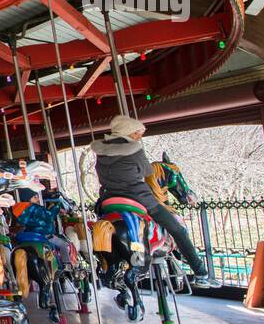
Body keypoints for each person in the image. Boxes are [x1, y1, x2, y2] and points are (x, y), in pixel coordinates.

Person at [91, 115, 219, 288]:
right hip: (138, 197)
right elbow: (147, 171)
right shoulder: (133, 149)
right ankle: (201, 272)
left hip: (109, 199)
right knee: (178, 229)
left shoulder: (101, 152)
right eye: (137, 133)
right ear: (128, 132)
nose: (138, 137)